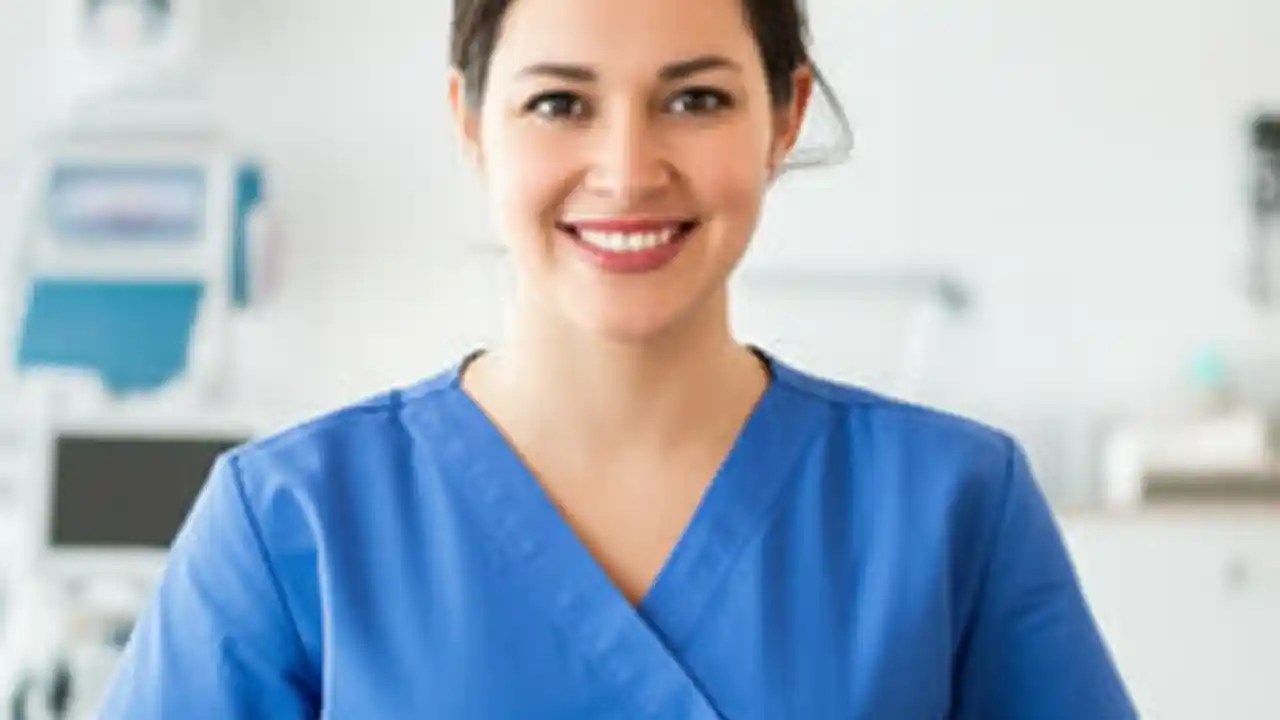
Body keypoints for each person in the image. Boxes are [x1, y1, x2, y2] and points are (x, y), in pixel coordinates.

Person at [100, 0, 1136, 716]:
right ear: (470, 123)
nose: (627, 169)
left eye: (694, 99)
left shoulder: (954, 508)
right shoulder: (289, 527)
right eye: (559, 103)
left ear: (784, 114)